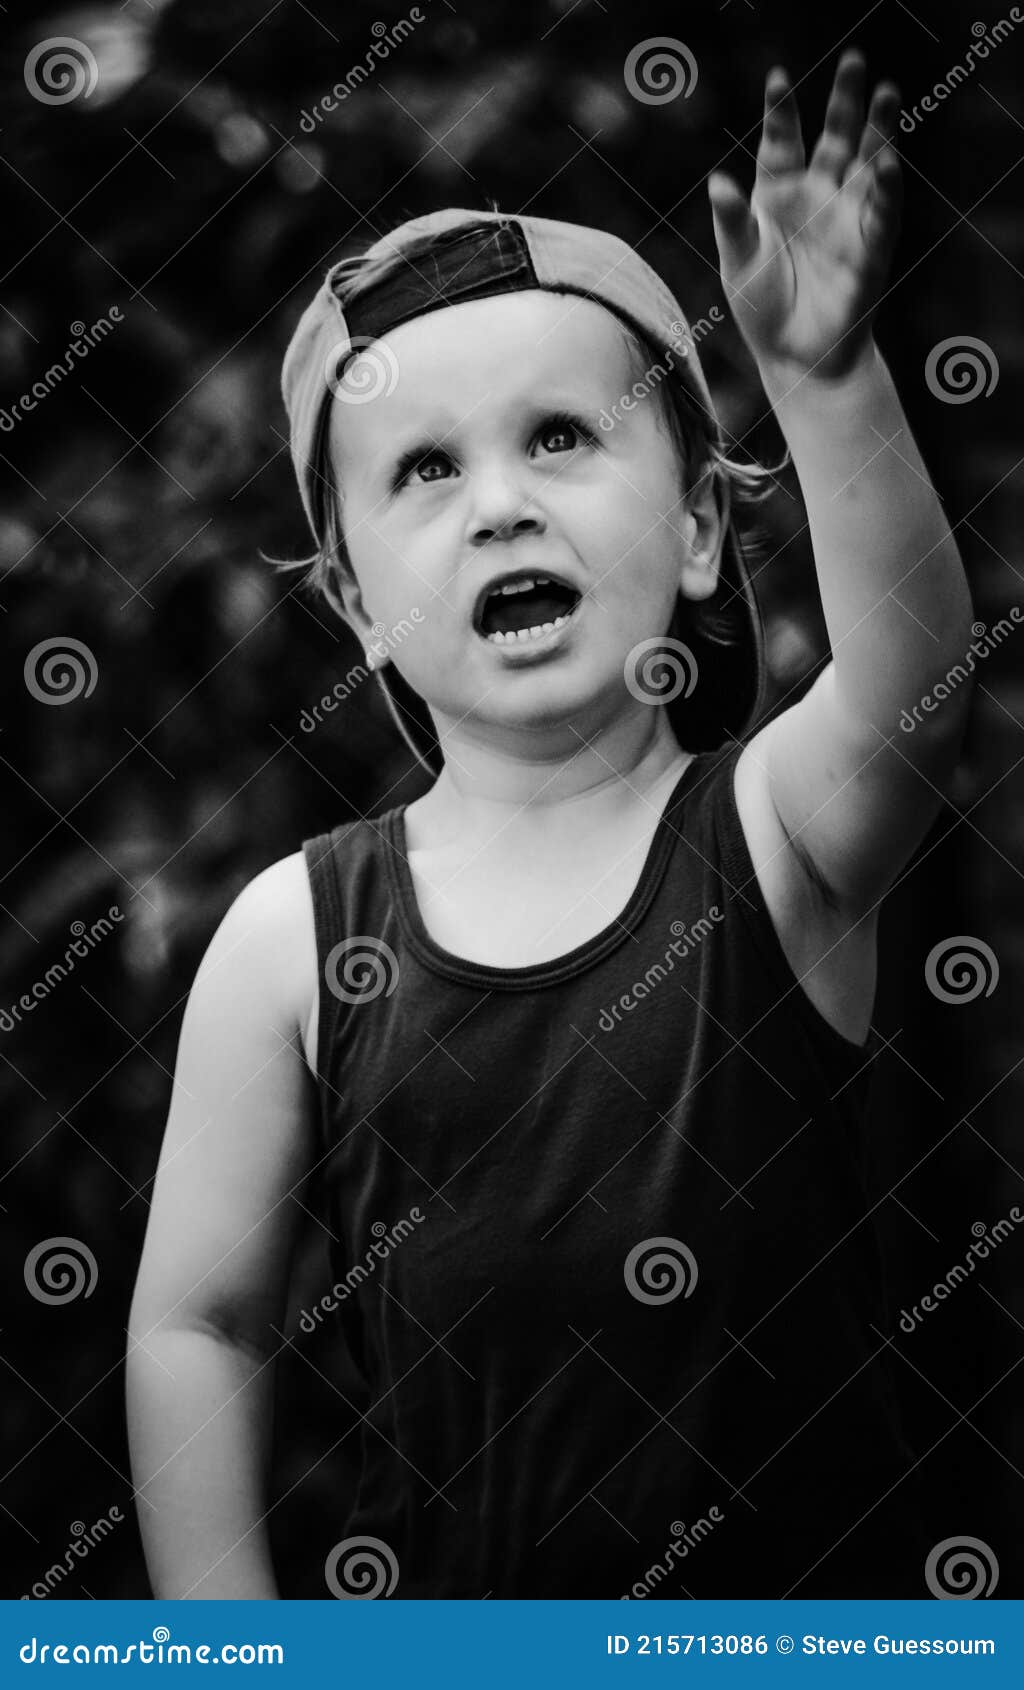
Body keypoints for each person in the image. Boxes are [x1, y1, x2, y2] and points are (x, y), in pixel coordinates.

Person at [126, 50, 975, 1599]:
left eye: (563, 438)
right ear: (359, 607)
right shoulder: (295, 939)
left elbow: (914, 685)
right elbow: (201, 1323)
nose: (501, 503)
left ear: (701, 529)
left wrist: (828, 377)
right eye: (427, 469)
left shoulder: (773, 837)